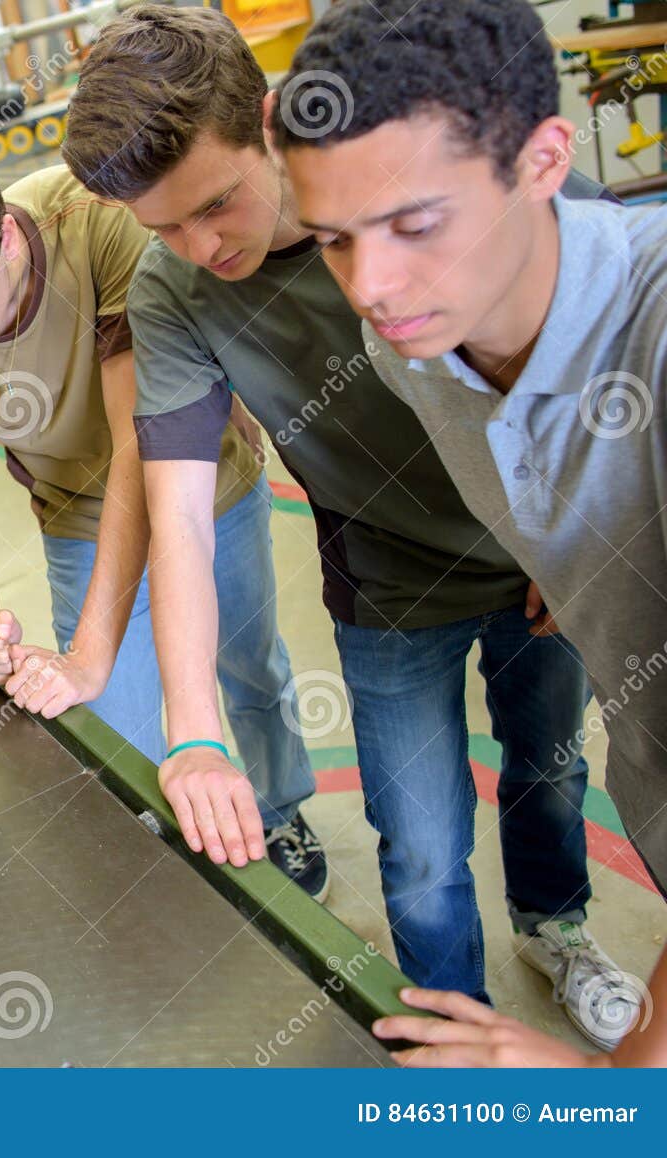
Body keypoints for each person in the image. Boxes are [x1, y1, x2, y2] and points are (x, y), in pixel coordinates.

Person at [57, 2, 633, 1044]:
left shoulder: (441, 190)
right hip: (386, 591)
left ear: (272, 123)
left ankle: (557, 928)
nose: (200, 247)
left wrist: (569, 535)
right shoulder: (174, 290)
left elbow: (602, 340)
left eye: (217, 203)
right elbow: (177, 511)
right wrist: (192, 730)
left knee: (548, 770)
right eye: (162, 229)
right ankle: (452, 1026)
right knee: (415, 850)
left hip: (537, 567)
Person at [274, 0, 665, 1067]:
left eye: (414, 223)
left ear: (545, 160)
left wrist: (613, 1089)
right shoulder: (410, 338)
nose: (370, 286)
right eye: (333, 240)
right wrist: (568, 554)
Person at [0, 120, 326, 897]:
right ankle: (167, 868)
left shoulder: (98, 223)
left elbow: (141, 445)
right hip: (76, 519)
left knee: (248, 664)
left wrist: (87, 654)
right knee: (115, 734)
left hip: (199, 483)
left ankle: (284, 807)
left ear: (4, 239)